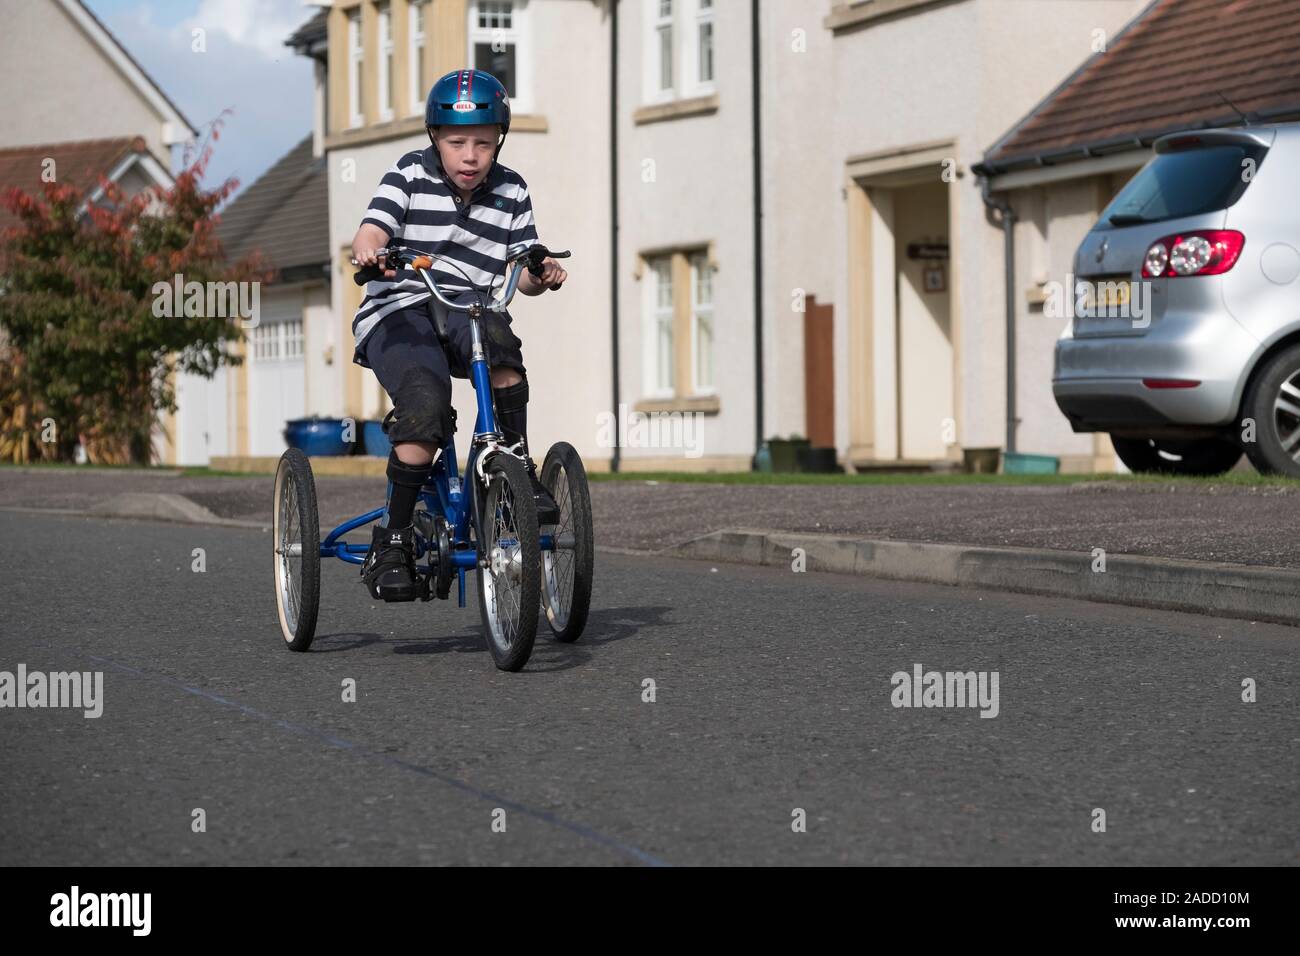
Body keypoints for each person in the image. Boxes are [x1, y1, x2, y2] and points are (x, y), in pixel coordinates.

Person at [350, 68, 567, 602]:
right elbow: (373, 228)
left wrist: (541, 274)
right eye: (456, 143)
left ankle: (515, 461)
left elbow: (526, 265)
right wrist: (370, 249)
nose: (470, 156)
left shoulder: (512, 190)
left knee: (504, 355)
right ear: (434, 139)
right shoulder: (407, 175)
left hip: (467, 310)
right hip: (398, 311)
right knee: (424, 406)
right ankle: (394, 540)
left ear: (498, 142)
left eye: (483, 144)